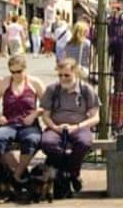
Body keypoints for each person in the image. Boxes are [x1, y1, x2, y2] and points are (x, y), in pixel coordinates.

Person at [39, 58, 101, 191]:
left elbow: (96, 118)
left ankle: (72, 173)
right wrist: (55, 127)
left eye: (67, 75)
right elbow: (45, 116)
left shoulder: (86, 90)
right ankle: (65, 174)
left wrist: (77, 127)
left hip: (79, 126)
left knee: (84, 143)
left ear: (75, 73)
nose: (63, 78)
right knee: (47, 143)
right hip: (56, 127)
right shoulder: (52, 90)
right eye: (60, 75)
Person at [0, 54, 46, 181]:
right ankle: (22, 171)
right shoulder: (2, 82)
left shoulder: (34, 83)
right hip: (9, 123)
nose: (16, 75)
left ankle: (16, 175)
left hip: (28, 124)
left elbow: (48, 105)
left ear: (25, 69)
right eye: (12, 72)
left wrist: (35, 114)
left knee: (32, 139)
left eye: (19, 71)